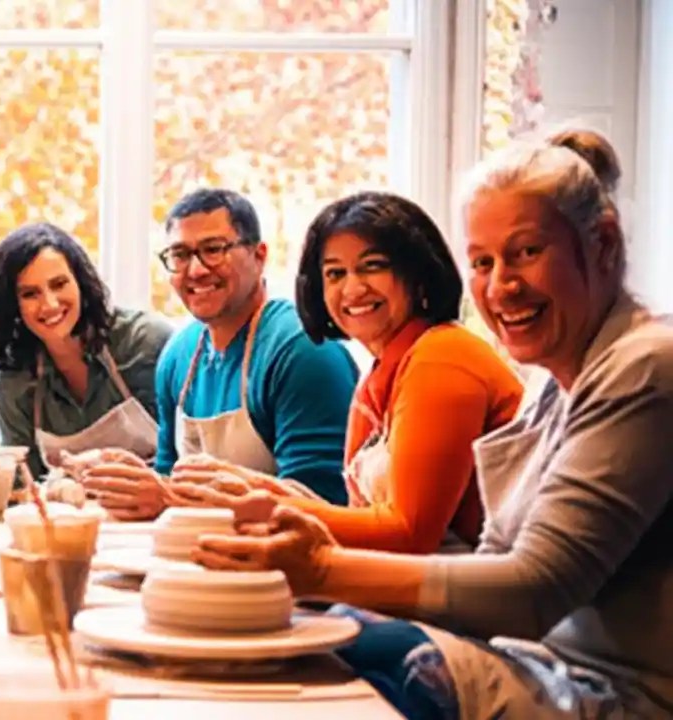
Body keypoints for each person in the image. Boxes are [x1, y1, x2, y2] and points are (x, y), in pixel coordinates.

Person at [194, 129, 673, 718]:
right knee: (313, 637)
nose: (502, 285)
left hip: (617, 694)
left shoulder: (646, 367)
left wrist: (319, 567)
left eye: (527, 253)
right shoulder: (550, 383)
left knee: (326, 645)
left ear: (602, 245)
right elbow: (495, 556)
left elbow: (534, 589)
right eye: (483, 261)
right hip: (532, 660)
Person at [172, 192, 523, 553]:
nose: (353, 289)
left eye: (372, 266)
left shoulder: (442, 356)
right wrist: (256, 489)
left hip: (473, 595)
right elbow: (358, 517)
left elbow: (409, 534)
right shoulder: (380, 372)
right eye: (335, 273)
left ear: (418, 274)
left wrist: (265, 505)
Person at [83, 188, 358, 520]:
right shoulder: (177, 356)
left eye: (214, 250)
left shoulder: (303, 349)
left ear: (259, 255)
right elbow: (169, 477)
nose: (196, 270)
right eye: (180, 255)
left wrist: (169, 498)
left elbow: (321, 507)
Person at [0, 222, 173, 482]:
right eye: (30, 294)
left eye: (59, 284)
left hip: (160, 514)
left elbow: (190, 456)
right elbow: (21, 481)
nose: (49, 304)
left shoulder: (147, 344)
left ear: (81, 282)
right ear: (12, 306)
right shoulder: (12, 377)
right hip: (65, 518)